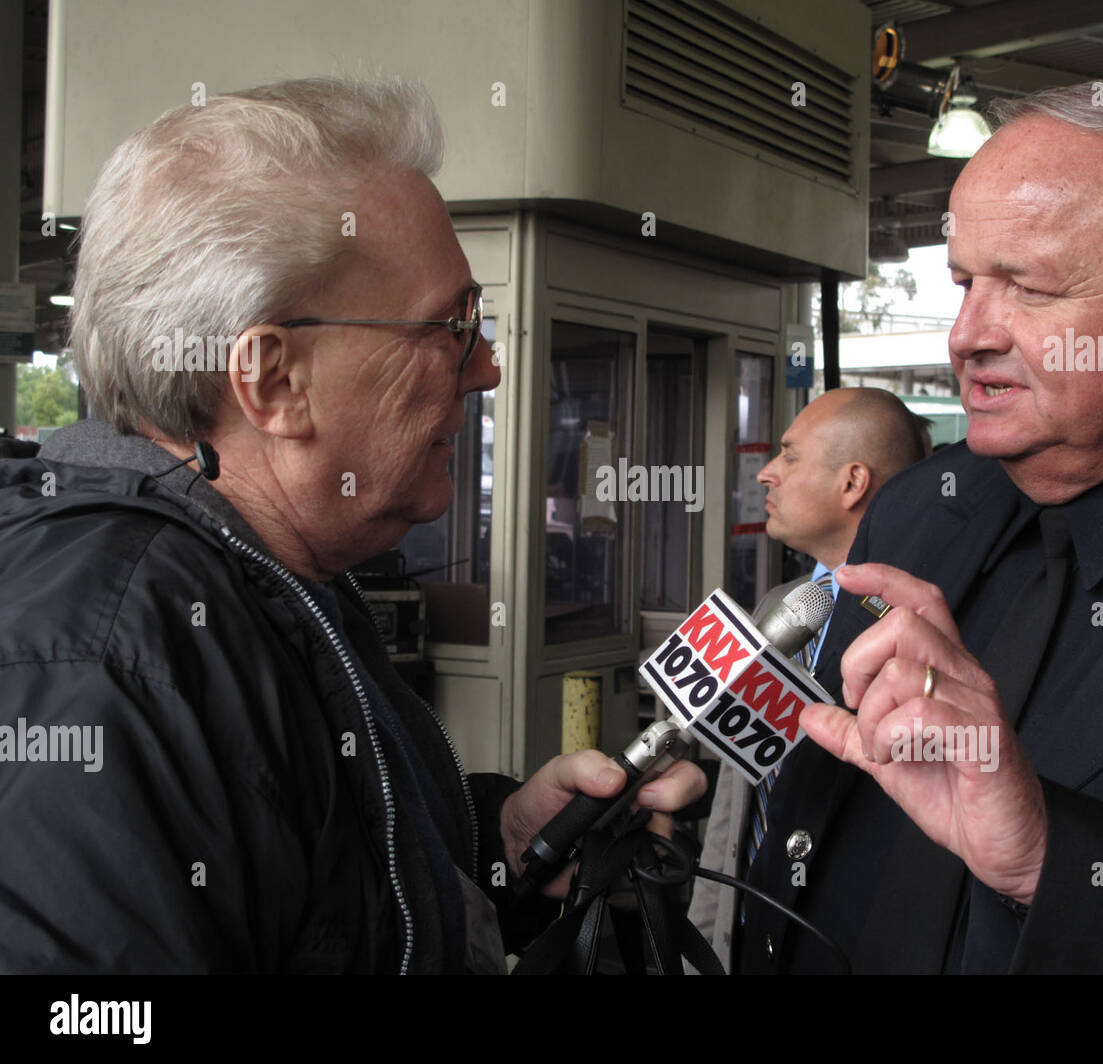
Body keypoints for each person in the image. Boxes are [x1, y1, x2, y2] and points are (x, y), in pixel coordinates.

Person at [0, 77, 702, 974]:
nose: (485, 368)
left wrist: (501, 844)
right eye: (451, 327)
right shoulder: (101, 663)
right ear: (274, 382)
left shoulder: (269, 585)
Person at [742, 79, 1103, 973]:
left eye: (1027, 287)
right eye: (964, 281)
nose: (965, 335)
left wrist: (1055, 861)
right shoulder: (918, 511)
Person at [688, 387, 925, 970]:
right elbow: (735, 803)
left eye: (790, 456)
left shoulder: (918, 626)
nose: (766, 473)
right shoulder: (781, 604)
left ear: (852, 482)